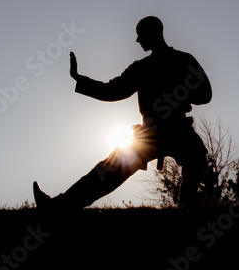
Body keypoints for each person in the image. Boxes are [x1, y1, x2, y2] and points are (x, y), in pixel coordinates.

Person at [33, 16, 212, 211]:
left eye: (140, 35)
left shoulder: (182, 60)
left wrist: (178, 91)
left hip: (177, 129)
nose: (137, 40)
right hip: (152, 134)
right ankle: (57, 207)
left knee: (197, 159)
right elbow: (113, 90)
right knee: (108, 171)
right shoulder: (143, 67)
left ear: (153, 34)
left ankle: (184, 208)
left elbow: (205, 94)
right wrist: (79, 79)